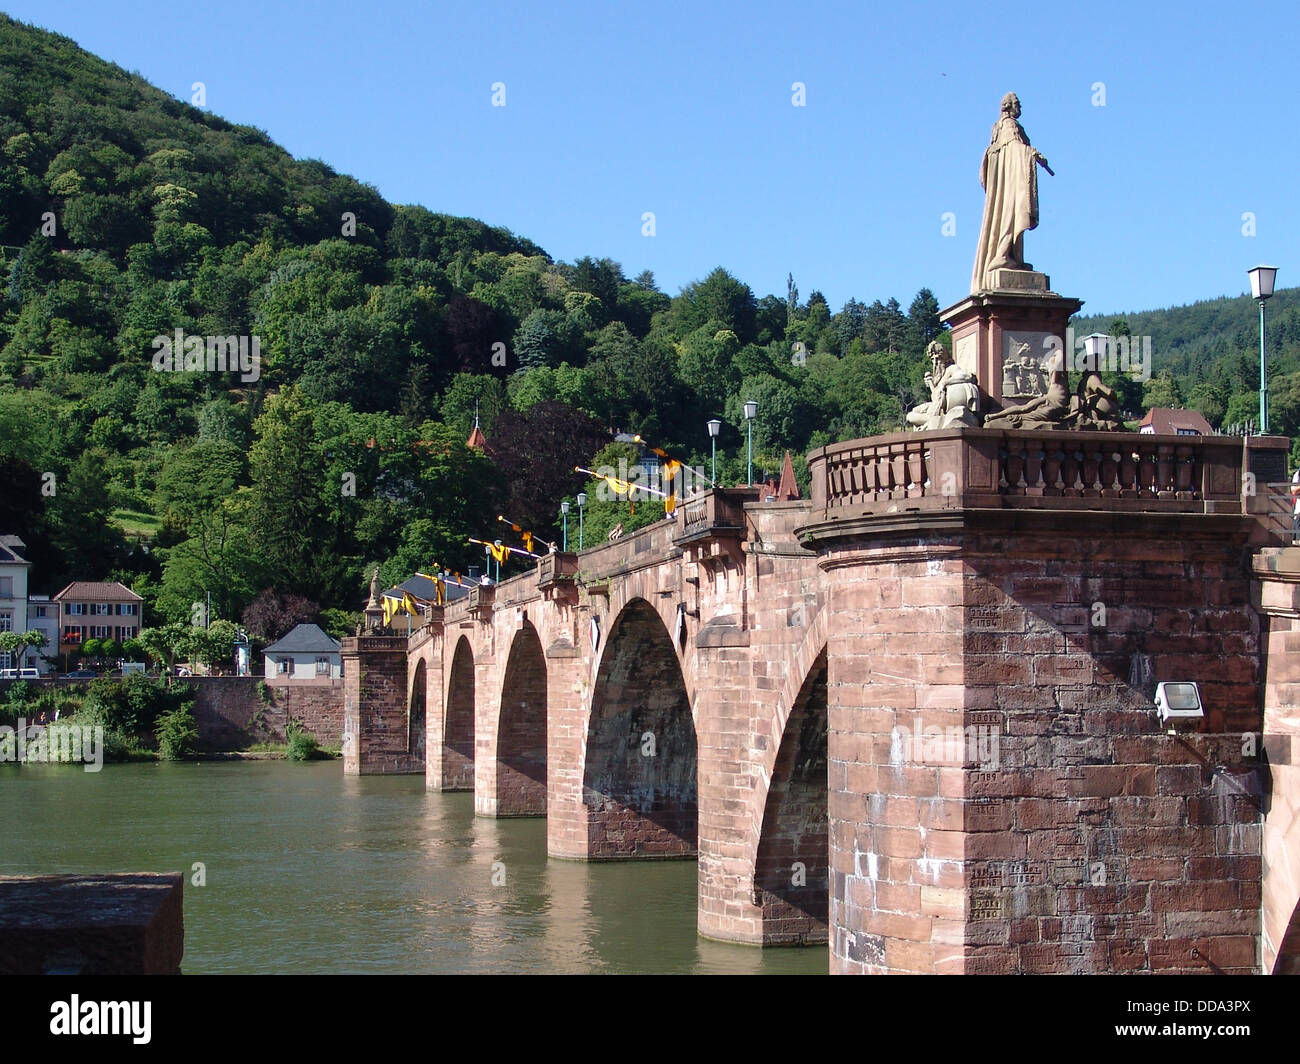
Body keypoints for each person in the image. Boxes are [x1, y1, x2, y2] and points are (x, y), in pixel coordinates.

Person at [971, 92, 1054, 293]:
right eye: (1018, 104)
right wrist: (1031, 152)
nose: (1020, 108)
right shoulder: (1009, 125)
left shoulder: (1003, 127)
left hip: (1008, 183)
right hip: (1009, 185)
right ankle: (1002, 255)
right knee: (1010, 215)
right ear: (1008, 107)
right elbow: (1014, 147)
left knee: (1011, 215)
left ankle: (1012, 257)